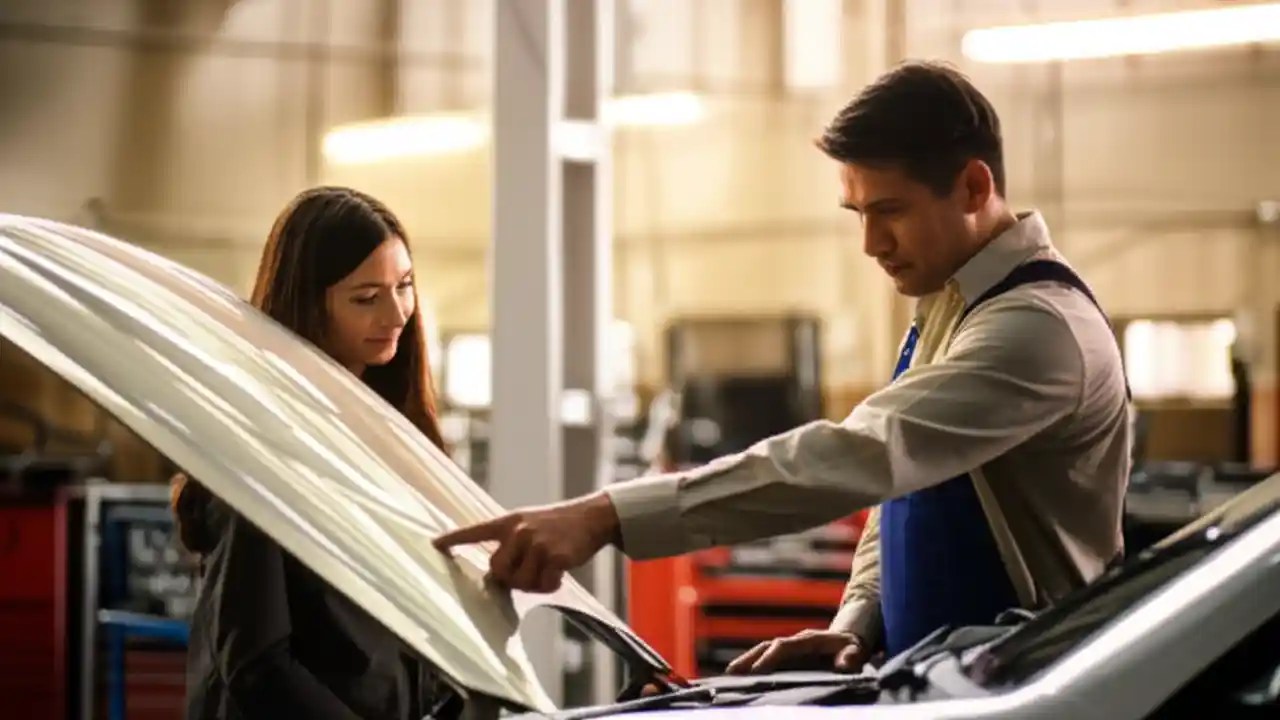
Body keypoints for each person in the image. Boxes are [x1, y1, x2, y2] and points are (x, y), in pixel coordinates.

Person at [433, 60, 1132, 675]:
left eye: (890, 211)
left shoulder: (1038, 328)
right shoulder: (951, 306)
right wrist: (856, 627)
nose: (870, 243)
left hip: (1036, 686)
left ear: (975, 187)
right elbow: (909, 494)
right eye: (857, 211)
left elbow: (865, 454)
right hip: (949, 681)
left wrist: (607, 514)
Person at [171, 186, 452, 719]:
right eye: (366, 297)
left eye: (406, 286)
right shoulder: (258, 442)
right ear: (306, 303)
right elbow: (256, 660)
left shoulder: (390, 432)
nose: (397, 314)